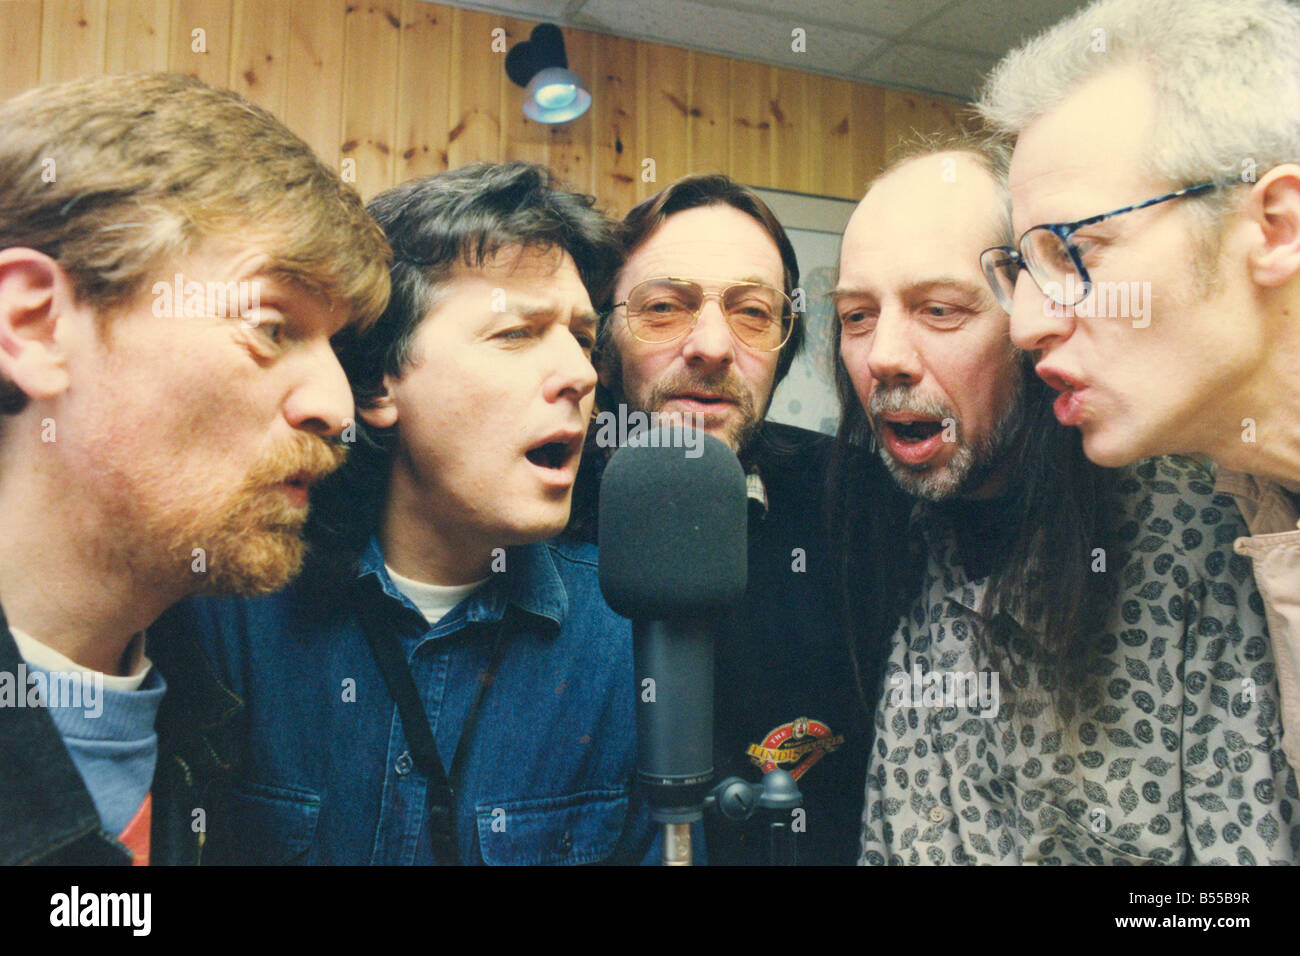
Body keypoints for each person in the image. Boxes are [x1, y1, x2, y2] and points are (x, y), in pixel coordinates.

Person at [168, 161, 660, 865]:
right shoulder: (233, 603)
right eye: (517, 333)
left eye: (582, 339)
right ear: (378, 384)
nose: (581, 375)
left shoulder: (623, 638)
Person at [833, 140, 1299, 864]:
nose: (883, 354)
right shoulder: (908, 542)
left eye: (940, 309)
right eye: (856, 316)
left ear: (1030, 322)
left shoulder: (1196, 538)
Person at [0, 72, 390, 865]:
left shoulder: (209, 727)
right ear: (35, 326)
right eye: (273, 325)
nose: (337, 408)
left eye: (334, 348)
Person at [977, 0, 1300, 771]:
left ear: (1276, 227)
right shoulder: (1264, 500)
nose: (1025, 326)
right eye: (1022, 267)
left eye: (1077, 249)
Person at [580, 174, 905, 865]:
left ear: (785, 347)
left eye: (752, 313)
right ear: (602, 339)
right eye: (664, 307)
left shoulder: (861, 503)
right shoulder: (535, 506)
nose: (711, 347)